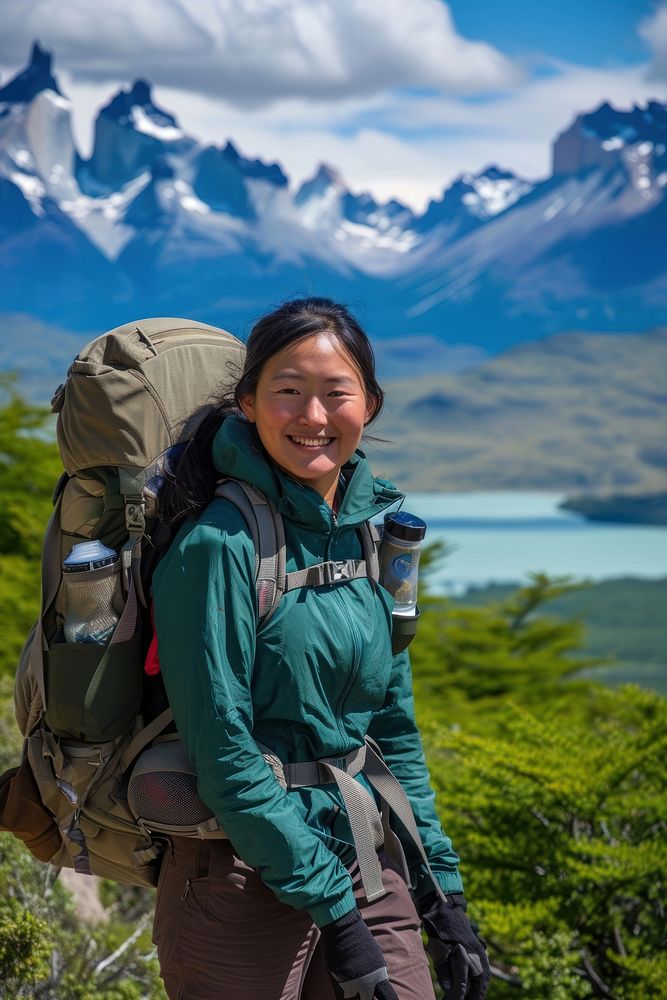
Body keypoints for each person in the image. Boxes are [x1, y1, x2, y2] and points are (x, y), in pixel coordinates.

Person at [151, 298, 490, 1000]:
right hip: (235, 869)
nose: (312, 417)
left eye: (336, 393)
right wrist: (336, 918)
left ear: (369, 403)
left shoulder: (372, 539)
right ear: (246, 403)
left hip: (361, 848)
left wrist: (441, 894)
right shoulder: (218, 547)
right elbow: (224, 754)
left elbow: (391, 729)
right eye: (287, 392)